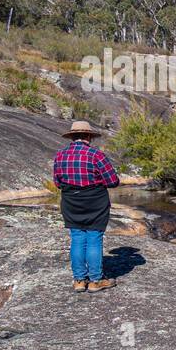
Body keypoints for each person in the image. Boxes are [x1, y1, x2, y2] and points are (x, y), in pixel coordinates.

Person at [52, 120, 121, 292]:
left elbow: (57, 183)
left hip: (70, 201)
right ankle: (96, 280)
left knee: (77, 237)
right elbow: (113, 181)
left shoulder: (60, 155)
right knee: (94, 237)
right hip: (95, 201)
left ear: (72, 136)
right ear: (89, 136)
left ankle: (79, 281)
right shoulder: (96, 155)